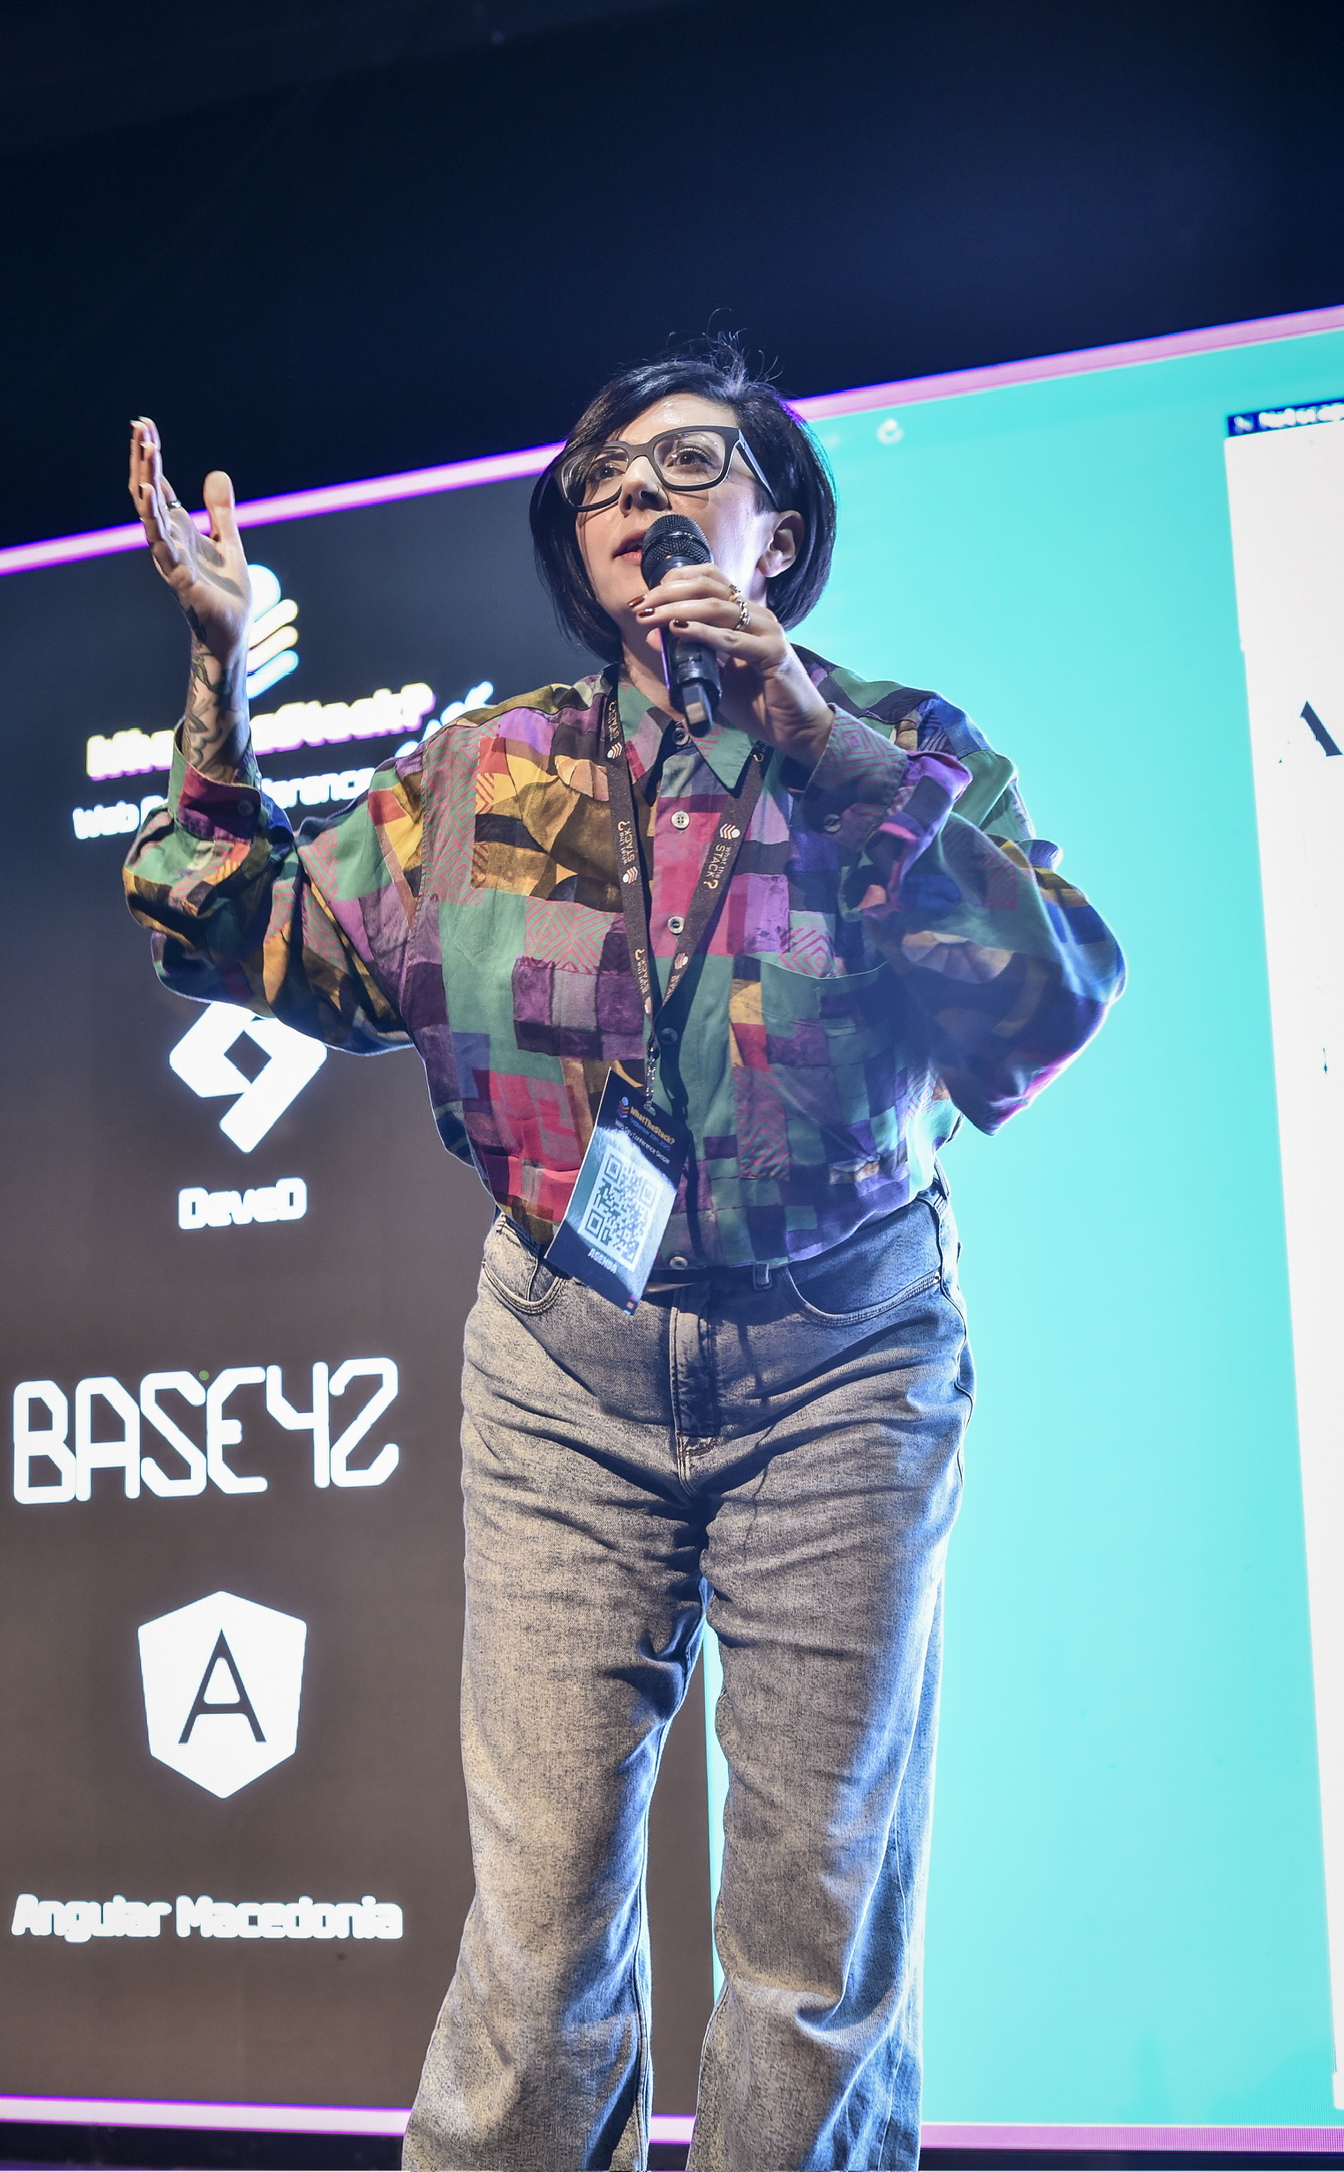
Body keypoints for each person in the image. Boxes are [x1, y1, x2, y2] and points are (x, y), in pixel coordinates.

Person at [122, 341, 1124, 2172]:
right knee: (538, 1933)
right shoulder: (483, 770)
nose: (642, 497)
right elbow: (232, 919)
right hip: (563, 1377)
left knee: (812, 1938)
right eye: (602, 480)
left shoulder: (904, 751)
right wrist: (215, 673)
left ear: (777, 526)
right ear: (576, 550)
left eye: (690, 462)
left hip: (840, 1375)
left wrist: (818, 744)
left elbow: (1043, 1009)